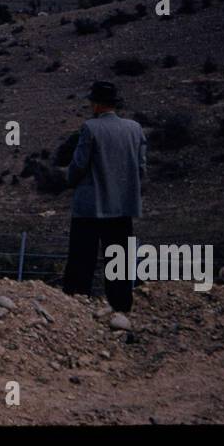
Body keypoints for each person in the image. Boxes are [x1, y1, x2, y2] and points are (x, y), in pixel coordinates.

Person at [63, 80, 148, 330]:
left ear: (97, 104)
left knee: (82, 257)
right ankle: (121, 304)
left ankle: (75, 303)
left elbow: (79, 165)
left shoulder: (90, 128)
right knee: (118, 257)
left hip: (91, 205)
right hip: (122, 205)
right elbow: (141, 167)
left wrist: (69, 180)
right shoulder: (135, 128)